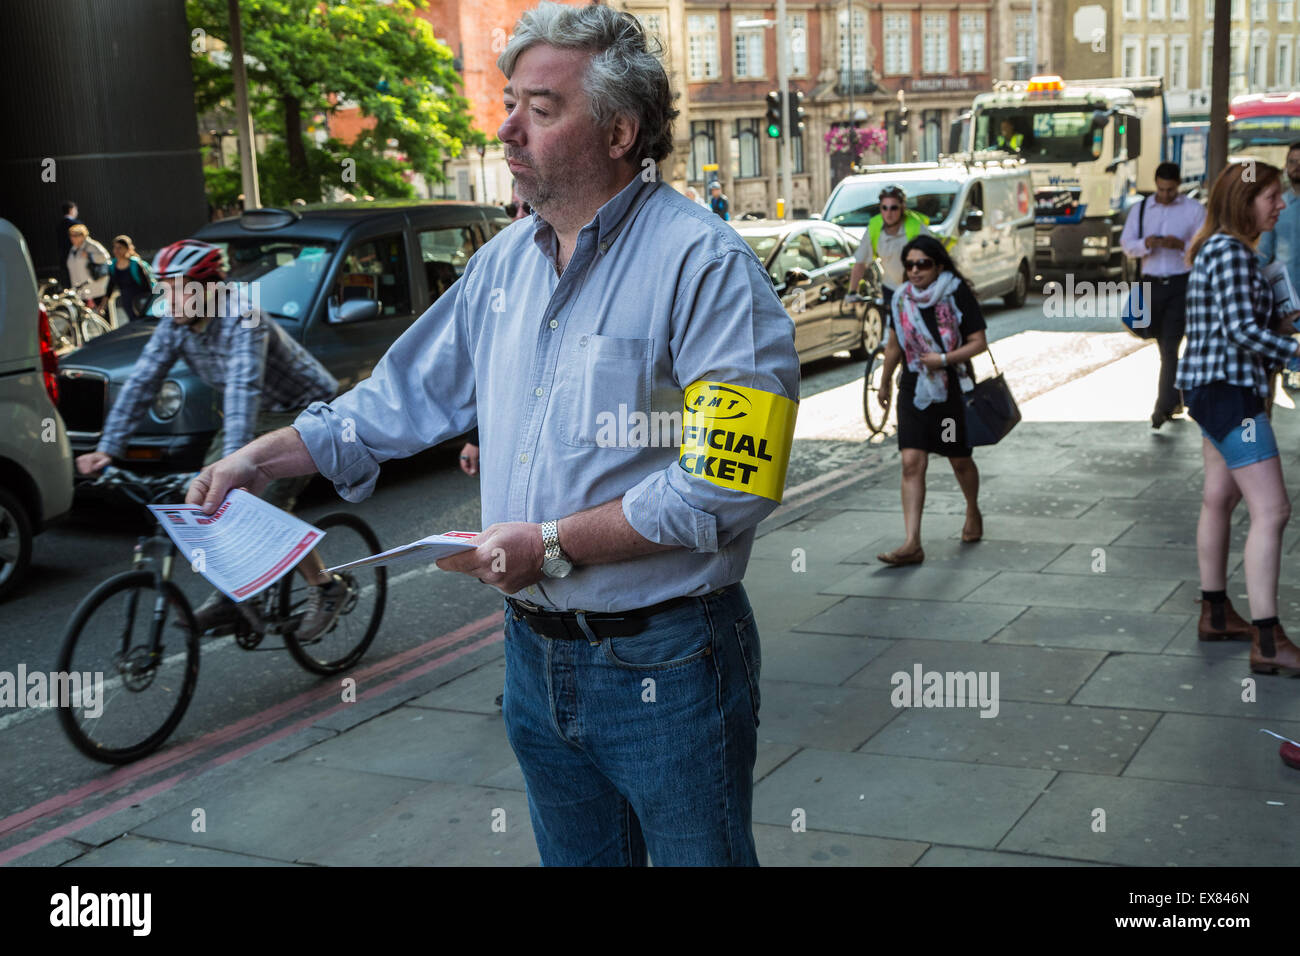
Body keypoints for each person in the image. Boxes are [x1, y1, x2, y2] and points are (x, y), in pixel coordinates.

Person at [187, 1, 799, 867]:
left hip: (670, 660)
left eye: (541, 110)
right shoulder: (502, 265)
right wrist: (262, 456)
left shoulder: (706, 267)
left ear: (620, 130)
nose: (507, 129)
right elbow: (393, 403)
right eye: (510, 102)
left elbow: (731, 480)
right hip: (532, 660)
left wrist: (550, 544)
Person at [75, 239, 347, 641]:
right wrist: (107, 448)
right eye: (164, 289)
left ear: (208, 288)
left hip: (301, 411)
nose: (169, 300)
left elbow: (243, 389)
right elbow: (142, 382)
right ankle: (237, 594)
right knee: (211, 501)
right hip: (253, 414)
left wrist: (236, 466)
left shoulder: (243, 319)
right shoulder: (176, 324)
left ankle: (327, 588)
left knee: (259, 505)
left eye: (178, 289)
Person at [1177, 160, 1300, 673]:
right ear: (1244, 201)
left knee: (1220, 497)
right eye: (1272, 196)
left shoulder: (1228, 252)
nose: (1282, 205)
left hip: (1213, 390)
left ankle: (1216, 612)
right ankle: (1268, 642)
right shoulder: (1230, 253)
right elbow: (1241, 332)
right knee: (1272, 512)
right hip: (1230, 394)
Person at [874, 234, 989, 565]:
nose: (914, 270)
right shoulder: (900, 300)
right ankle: (912, 543)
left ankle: (972, 510)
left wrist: (942, 359)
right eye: (908, 264)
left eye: (922, 264)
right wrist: (884, 384)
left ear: (938, 265)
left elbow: (978, 341)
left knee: (958, 459)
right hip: (913, 387)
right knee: (912, 461)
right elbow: (894, 344)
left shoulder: (955, 292)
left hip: (951, 388)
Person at [1120, 161, 1207, 429]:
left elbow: (1203, 249)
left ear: (1178, 187)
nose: (1165, 195)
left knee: (1169, 346)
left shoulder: (1194, 210)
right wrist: (1147, 244)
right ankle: (1175, 398)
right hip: (1151, 284)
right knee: (1160, 343)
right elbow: (1126, 244)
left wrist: (1181, 246)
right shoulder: (1142, 208)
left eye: (1170, 190)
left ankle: (1162, 406)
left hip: (1181, 284)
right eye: (1161, 189)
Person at [847, 184, 932, 311]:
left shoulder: (916, 227)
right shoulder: (874, 226)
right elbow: (860, 262)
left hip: (916, 289)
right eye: (884, 208)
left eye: (894, 208)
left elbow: (933, 260)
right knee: (891, 328)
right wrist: (852, 292)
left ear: (903, 208)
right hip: (890, 289)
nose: (888, 213)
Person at [1256, 141, 1300, 284]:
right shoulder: (1278, 205)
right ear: (1286, 166)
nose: (1297, 166)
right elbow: (1264, 250)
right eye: (1292, 162)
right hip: (1287, 291)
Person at [103, 235, 155, 323]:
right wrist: (103, 303)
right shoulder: (112, 266)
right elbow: (111, 284)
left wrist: (150, 301)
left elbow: (147, 285)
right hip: (126, 300)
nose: (116, 251)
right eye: (115, 248)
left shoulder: (135, 264)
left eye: (120, 248)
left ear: (127, 249)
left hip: (141, 299)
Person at [66, 224, 110, 309]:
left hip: (96, 287)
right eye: (71, 236)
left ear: (82, 235)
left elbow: (105, 258)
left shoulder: (92, 245)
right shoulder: (73, 249)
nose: (72, 238)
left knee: (102, 314)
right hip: (80, 289)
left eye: (75, 236)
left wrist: (90, 256)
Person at [57, 201, 82, 287]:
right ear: (72, 210)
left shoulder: (59, 225)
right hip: (78, 257)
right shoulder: (76, 224)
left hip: (64, 258)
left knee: (68, 283)